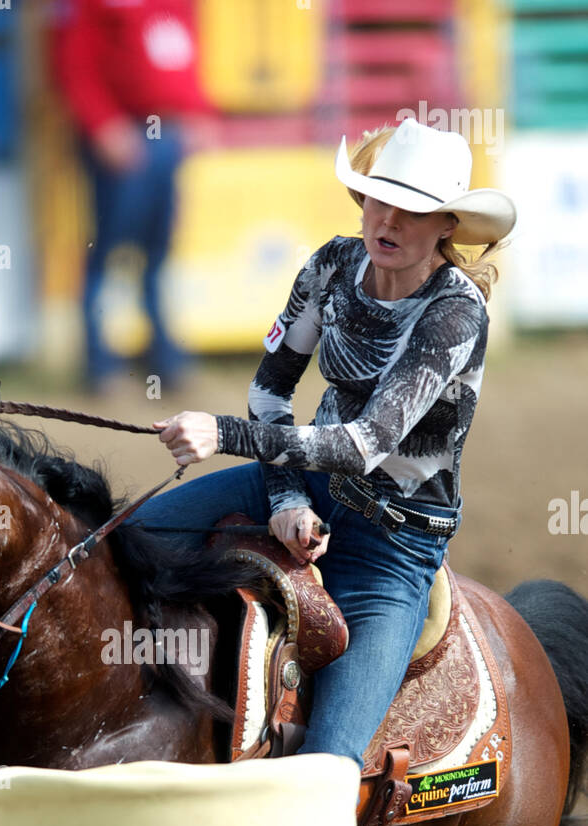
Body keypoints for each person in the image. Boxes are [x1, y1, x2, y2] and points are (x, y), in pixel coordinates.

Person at [136, 117, 517, 771]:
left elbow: (366, 443)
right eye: (379, 201)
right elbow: (270, 391)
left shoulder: (456, 314)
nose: (388, 222)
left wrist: (220, 435)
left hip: (393, 546)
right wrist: (285, 496)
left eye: (412, 211)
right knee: (133, 542)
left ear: (447, 226)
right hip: (303, 485)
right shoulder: (331, 265)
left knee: (329, 762)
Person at [50, 0, 212, 392]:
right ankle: (100, 365)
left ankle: (166, 360)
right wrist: (102, 124)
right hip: (121, 136)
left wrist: (196, 109)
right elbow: (72, 64)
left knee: (158, 253)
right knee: (105, 252)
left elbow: (182, 52)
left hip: (166, 135)